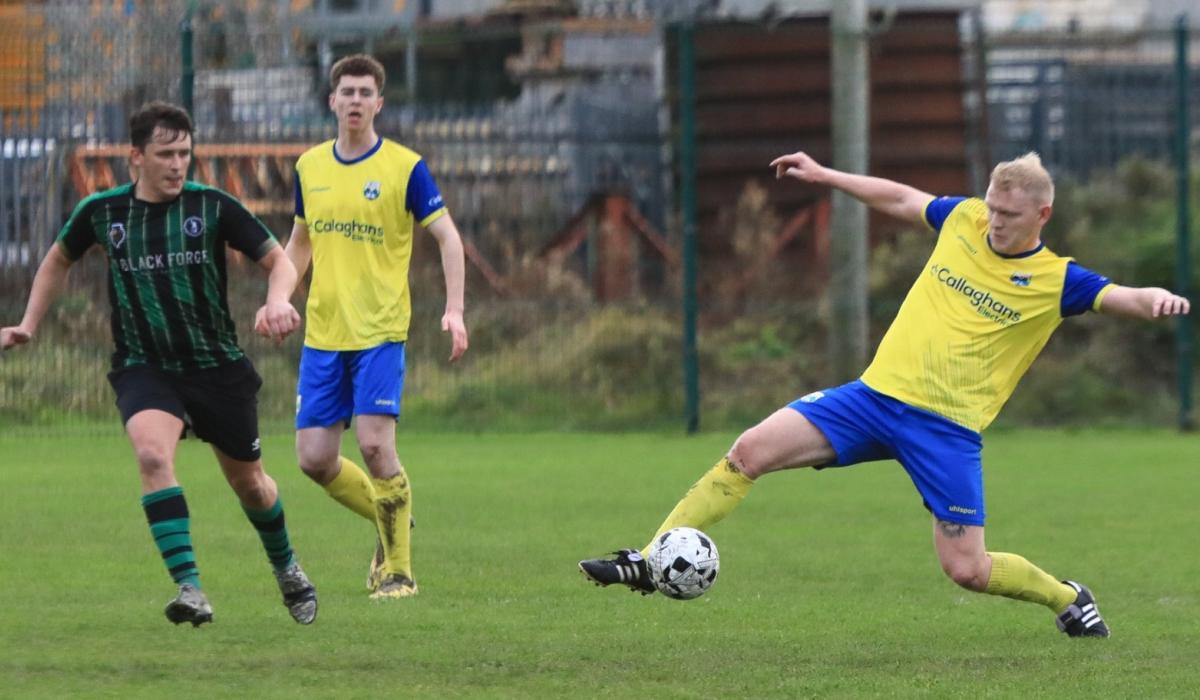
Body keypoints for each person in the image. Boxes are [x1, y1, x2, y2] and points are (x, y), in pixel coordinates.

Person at [579, 151, 1191, 638]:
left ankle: (1066, 597)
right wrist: (824, 174)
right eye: (993, 206)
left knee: (967, 571)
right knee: (749, 451)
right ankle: (651, 557)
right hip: (872, 399)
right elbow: (900, 197)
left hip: (946, 431)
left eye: (1008, 213)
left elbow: (1120, 296)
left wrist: (1154, 300)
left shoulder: (1058, 280)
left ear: (1042, 215)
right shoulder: (964, 220)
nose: (995, 219)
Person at [0, 102, 317, 627]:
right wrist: (28, 324)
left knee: (252, 485)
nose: (177, 164)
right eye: (165, 154)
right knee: (151, 456)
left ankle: (287, 568)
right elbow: (58, 258)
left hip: (216, 365)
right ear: (135, 158)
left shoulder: (212, 206)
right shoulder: (102, 212)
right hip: (144, 365)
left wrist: (279, 299)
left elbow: (278, 259)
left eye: (185, 153)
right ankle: (190, 588)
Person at [281, 54, 468, 600]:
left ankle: (398, 572)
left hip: (381, 331)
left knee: (374, 447)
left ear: (379, 104)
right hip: (323, 333)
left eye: (366, 92)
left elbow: (448, 238)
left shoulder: (406, 168)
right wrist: (278, 298)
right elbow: (298, 244)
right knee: (313, 459)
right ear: (332, 101)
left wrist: (454, 310)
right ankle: (393, 514)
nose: (357, 100)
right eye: (348, 92)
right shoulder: (309, 167)